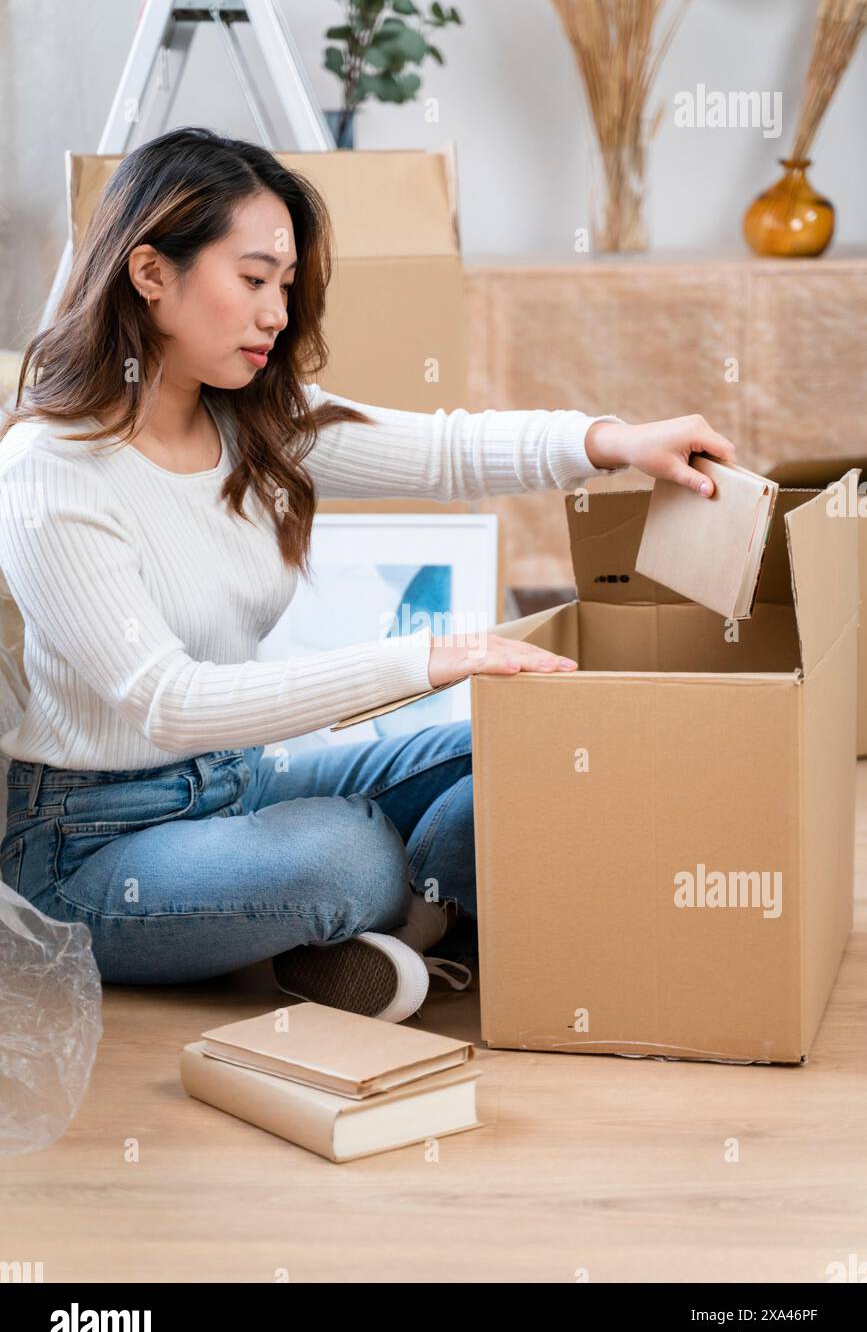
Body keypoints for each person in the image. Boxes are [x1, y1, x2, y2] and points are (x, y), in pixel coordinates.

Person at [0, 127, 737, 1023]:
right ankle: (391, 902)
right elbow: (168, 702)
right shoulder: (53, 467)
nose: (276, 312)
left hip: (241, 780)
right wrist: (420, 661)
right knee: (340, 857)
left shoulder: (250, 420)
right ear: (151, 272)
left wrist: (618, 441)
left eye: (285, 285)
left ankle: (375, 920)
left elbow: (447, 451)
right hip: (90, 846)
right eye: (254, 278)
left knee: (527, 737)